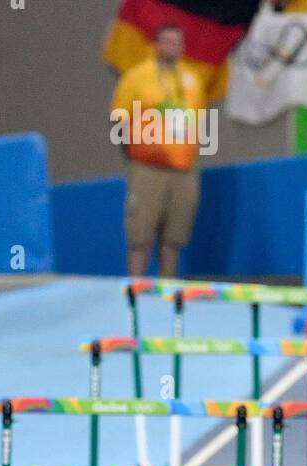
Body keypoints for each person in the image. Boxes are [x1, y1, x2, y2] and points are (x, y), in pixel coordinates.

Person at [111, 24, 205, 278]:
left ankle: (168, 292)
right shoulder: (137, 76)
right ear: (156, 44)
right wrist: (131, 154)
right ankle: (136, 293)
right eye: (167, 41)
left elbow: (196, 121)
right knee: (140, 235)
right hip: (147, 168)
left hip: (184, 169)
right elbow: (119, 116)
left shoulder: (192, 78)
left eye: (177, 42)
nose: (172, 46)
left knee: (174, 237)